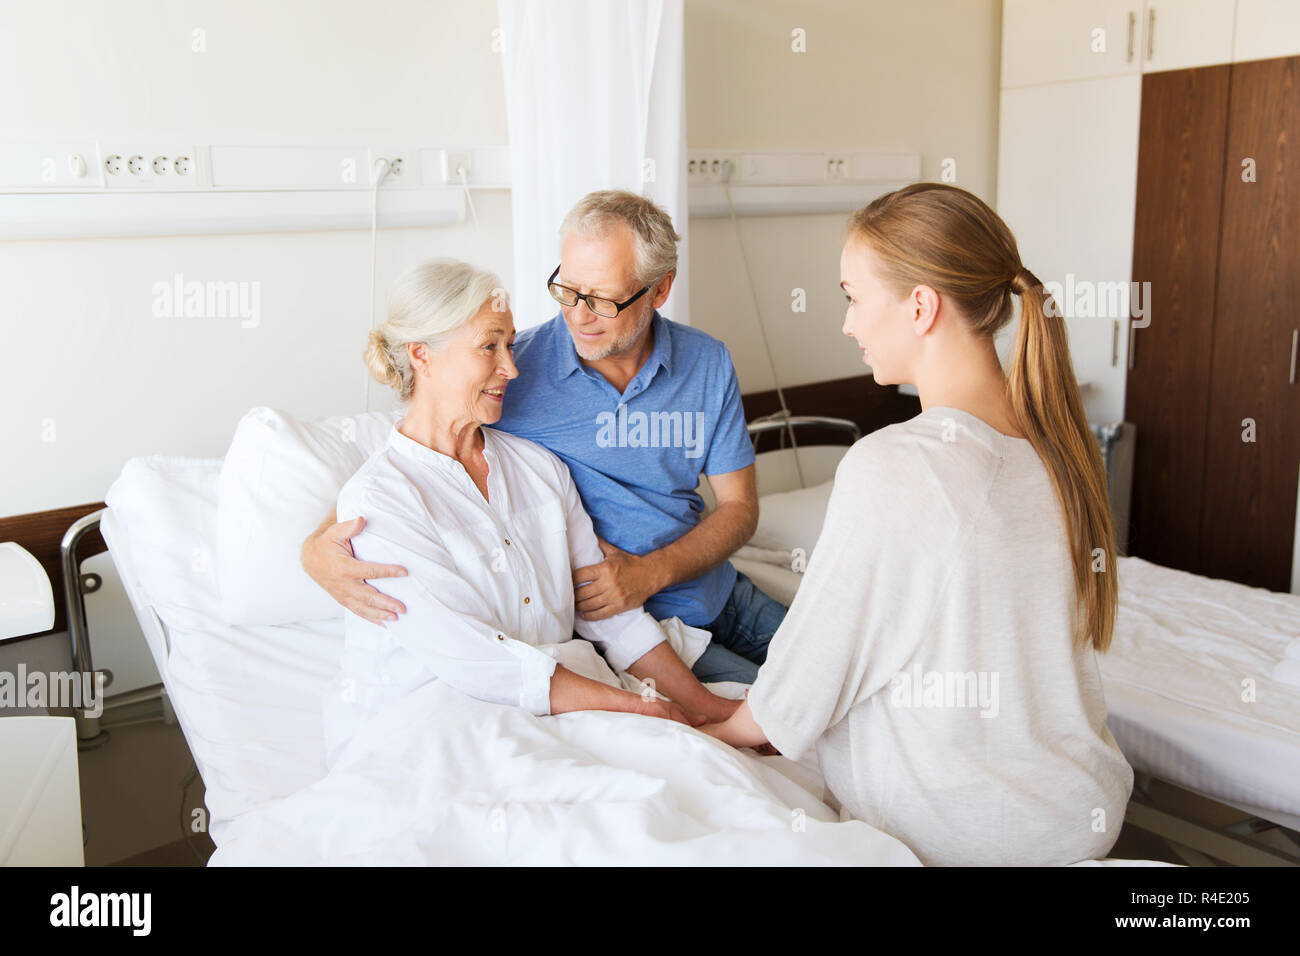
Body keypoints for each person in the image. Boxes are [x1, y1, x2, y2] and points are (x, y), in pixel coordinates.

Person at [701, 183, 1134, 866]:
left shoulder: (898, 465)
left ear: (922, 306)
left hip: (974, 831)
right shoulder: (1057, 443)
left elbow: (802, 687)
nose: (848, 324)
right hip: (1074, 808)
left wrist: (721, 727)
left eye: (852, 296)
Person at [304, 190, 788, 685]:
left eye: (601, 299)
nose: (578, 315)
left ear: (660, 290)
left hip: (717, 588)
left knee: (851, 667)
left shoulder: (705, 362)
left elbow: (739, 508)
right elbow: (413, 457)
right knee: (791, 713)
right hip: (642, 629)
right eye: (568, 289)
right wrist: (315, 548)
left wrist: (651, 573)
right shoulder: (511, 373)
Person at [322, 259, 739, 758]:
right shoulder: (380, 501)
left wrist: (702, 708)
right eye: (488, 347)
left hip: (573, 701)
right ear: (421, 355)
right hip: (448, 727)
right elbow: (476, 662)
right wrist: (635, 708)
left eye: (510, 345)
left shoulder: (538, 468)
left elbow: (608, 614)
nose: (512, 368)